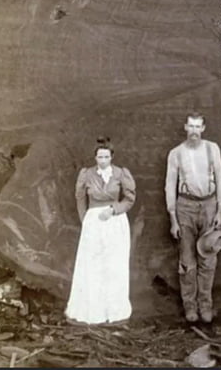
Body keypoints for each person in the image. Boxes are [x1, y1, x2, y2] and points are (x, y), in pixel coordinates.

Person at [65, 137, 136, 325]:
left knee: (114, 265)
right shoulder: (87, 174)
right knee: (93, 265)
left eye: (106, 157)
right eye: (99, 157)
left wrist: (114, 210)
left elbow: (129, 199)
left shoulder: (121, 174)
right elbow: (80, 198)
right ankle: (93, 311)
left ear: (111, 157)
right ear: (95, 158)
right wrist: (87, 220)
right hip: (94, 223)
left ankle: (114, 310)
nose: (102, 160)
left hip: (115, 222)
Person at [165, 113, 221, 324]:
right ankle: (189, 307)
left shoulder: (212, 148)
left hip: (209, 205)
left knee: (208, 259)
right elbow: (169, 185)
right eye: (190, 126)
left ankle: (205, 306)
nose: (193, 130)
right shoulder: (176, 153)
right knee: (187, 261)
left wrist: (220, 210)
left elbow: (220, 177)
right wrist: (173, 217)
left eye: (197, 126)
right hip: (185, 207)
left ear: (203, 128)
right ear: (185, 127)